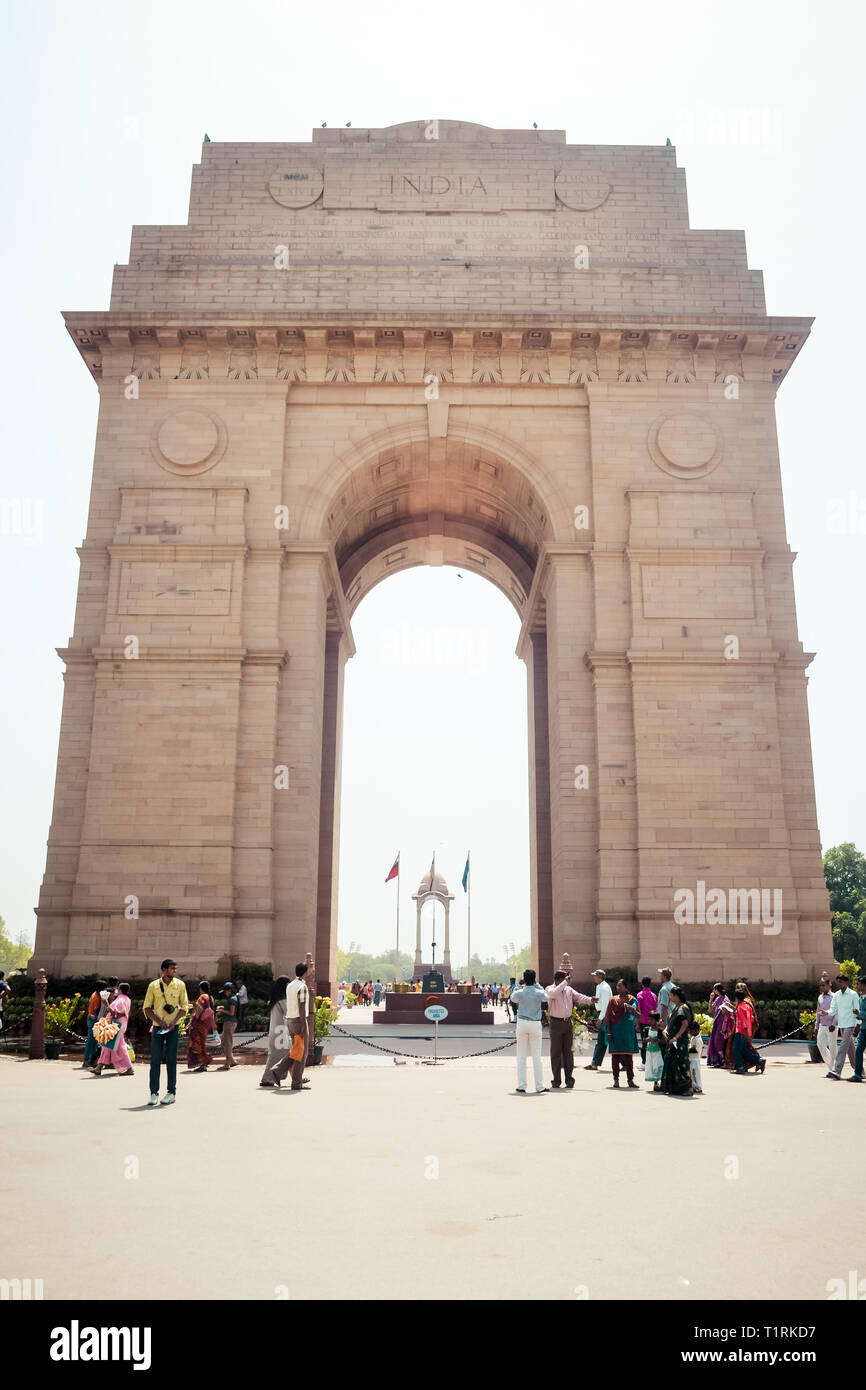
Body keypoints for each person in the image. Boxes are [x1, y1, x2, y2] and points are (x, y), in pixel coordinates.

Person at [143, 958, 190, 1106]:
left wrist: (174, 1021)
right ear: (164, 970)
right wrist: (159, 1020)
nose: (175, 971)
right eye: (172, 969)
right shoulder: (153, 985)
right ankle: (154, 1093)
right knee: (155, 1060)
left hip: (173, 1028)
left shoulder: (180, 985)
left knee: (171, 1060)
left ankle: (171, 1092)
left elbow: (184, 1007)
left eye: (175, 969)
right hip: (158, 1027)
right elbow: (146, 1008)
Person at [546, 970, 593, 1088]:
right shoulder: (550, 989)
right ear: (558, 980)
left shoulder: (569, 990)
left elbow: (579, 997)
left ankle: (569, 1079)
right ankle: (556, 1080)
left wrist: (590, 1000)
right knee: (556, 1053)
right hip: (555, 1023)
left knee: (568, 1052)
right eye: (565, 980)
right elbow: (553, 994)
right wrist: (563, 984)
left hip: (567, 1023)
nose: (568, 983)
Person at [510, 968, 549, 1094]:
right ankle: (539, 1086)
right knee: (537, 1057)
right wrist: (538, 985)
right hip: (535, 1024)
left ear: (524, 979)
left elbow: (513, 998)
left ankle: (521, 1085)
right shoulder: (538, 992)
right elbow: (546, 997)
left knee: (521, 1056)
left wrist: (517, 987)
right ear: (534, 979)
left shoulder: (520, 992)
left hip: (522, 1023)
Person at [659, 986, 696, 1095]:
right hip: (672, 1041)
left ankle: (687, 1088)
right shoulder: (675, 1007)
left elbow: (684, 1024)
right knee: (671, 1062)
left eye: (670, 995)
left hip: (679, 1042)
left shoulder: (683, 1008)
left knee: (682, 1063)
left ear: (676, 996)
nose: (669, 997)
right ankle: (674, 1087)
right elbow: (670, 1023)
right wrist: (665, 1030)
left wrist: (676, 1037)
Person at [604, 979, 639, 1089]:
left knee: (629, 1057)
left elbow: (639, 1015)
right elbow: (608, 1017)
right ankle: (616, 1080)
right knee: (615, 1056)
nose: (618, 988)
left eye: (620, 986)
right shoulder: (612, 1000)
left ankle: (630, 1080)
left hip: (628, 1032)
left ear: (626, 988)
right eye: (617, 986)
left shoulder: (632, 1000)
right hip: (615, 1032)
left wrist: (631, 1009)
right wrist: (609, 1033)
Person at [93, 982, 134, 1076]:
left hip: (116, 1024)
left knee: (117, 1046)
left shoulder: (121, 999)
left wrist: (107, 1004)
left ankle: (129, 1068)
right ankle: (99, 1068)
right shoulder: (126, 999)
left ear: (120, 990)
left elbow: (118, 1013)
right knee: (107, 1044)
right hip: (120, 1024)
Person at [284, 963, 311, 1091]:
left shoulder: (290, 985)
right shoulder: (302, 986)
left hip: (289, 1019)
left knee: (296, 1051)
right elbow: (301, 1006)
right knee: (301, 1053)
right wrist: (303, 1026)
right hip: (298, 1020)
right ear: (305, 972)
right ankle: (296, 1083)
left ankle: (277, 1072)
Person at [260, 975, 291, 1088]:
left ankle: (296, 1078)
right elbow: (289, 1013)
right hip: (281, 1033)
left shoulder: (274, 999)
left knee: (275, 1056)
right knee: (288, 1055)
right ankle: (269, 1077)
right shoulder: (283, 999)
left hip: (275, 1031)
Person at [827, 974, 860, 1080]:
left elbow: (857, 1010)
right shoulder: (836, 995)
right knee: (851, 1050)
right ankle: (860, 1070)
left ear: (846, 982)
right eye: (837, 982)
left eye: (840, 981)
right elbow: (833, 1010)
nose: (839, 984)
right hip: (842, 1024)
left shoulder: (853, 994)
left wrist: (858, 1025)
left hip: (851, 1024)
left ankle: (837, 1071)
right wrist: (826, 1013)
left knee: (842, 1047)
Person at [584, 969, 612, 1071]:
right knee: (603, 1041)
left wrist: (600, 1019)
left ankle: (595, 1063)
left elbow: (605, 1005)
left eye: (595, 976)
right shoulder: (601, 986)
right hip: (604, 1015)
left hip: (605, 1016)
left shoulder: (604, 988)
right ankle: (595, 1063)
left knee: (605, 1041)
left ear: (600, 977)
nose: (594, 977)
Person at [732, 986, 764, 1075]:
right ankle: (759, 1060)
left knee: (736, 1050)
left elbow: (743, 1022)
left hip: (741, 1031)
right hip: (747, 1031)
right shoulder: (747, 1006)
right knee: (743, 1051)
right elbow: (751, 1019)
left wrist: (746, 1034)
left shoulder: (740, 1008)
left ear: (736, 998)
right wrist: (748, 1034)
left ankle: (740, 1067)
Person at [186, 981, 215, 1072]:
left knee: (197, 1044)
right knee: (201, 1044)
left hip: (199, 1024)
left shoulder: (202, 997)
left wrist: (192, 1023)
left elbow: (198, 1011)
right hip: (206, 1024)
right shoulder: (210, 997)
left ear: (201, 988)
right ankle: (205, 1061)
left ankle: (203, 1063)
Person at [706, 983, 734, 1069]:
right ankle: (715, 1061)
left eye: (714, 989)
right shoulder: (717, 999)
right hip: (716, 1023)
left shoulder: (725, 999)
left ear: (717, 990)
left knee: (718, 1041)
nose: (713, 991)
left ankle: (722, 1060)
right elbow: (710, 1010)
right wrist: (711, 999)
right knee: (714, 1041)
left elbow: (728, 1011)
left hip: (723, 1023)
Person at [82, 979, 107, 1070]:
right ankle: (88, 1060)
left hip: (90, 1017)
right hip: (94, 1019)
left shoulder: (94, 994)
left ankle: (90, 1060)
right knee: (92, 1041)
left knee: (92, 1041)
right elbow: (96, 1009)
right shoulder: (97, 997)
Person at [815, 973, 837, 1072]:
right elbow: (818, 1012)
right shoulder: (820, 997)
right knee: (821, 1045)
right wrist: (816, 1026)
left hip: (832, 1026)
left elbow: (837, 1011)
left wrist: (834, 1024)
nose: (821, 987)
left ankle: (833, 1069)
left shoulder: (835, 996)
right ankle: (832, 1066)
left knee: (832, 1048)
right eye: (820, 985)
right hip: (822, 1026)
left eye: (823, 985)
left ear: (829, 985)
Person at [215, 983, 239, 1069]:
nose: (225, 993)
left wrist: (222, 1010)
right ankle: (232, 1061)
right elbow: (230, 1010)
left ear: (229, 990)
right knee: (224, 1041)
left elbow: (231, 1013)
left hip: (230, 1022)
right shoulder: (232, 998)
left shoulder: (232, 999)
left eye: (225, 991)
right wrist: (223, 1008)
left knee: (227, 1042)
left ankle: (227, 1064)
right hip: (229, 1022)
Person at [635, 976, 658, 1064]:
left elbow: (638, 1010)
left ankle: (644, 1062)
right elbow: (656, 1009)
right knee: (653, 1041)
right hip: (653, 1022)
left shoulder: (639, 995)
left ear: (642, 984)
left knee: (644, 1042)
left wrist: (637, 1024)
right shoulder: (654, 995)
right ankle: (652, 1060)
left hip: (643, 1021)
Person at [848, 977, 866, 1083]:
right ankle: (858, 1075)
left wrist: (859, 1014)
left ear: (864, 985)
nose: (857, 986)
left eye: (858, 984)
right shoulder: (860, 998)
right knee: (858, 1051)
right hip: (863, 1029)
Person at [644, 1011, 663, 1090]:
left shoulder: (659, 1030)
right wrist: (648, 1040)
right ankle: (655, 1083)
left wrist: (655, 1040)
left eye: (652, 1020)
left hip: (657, 1051)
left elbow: (661, 1040)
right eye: (649, 1020)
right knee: (651, 1066)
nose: (650, 1021)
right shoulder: (647, 1029)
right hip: (649, 1051)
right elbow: (644, 1039)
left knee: (658, 1065)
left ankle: (660, 1081)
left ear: (657, 1020)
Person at [688, 1021, 703, 1094]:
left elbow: (696, 1050)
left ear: (696, 1030)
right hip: (691, 1059)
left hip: (695, 1059)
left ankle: (698, 1087)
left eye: (691, 1030)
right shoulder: (693, 1038)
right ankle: (694, 1086)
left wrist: (688, 1050)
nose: (690, 1032)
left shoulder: (698, 1040)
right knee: (692, 1073)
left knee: (695, 1073)